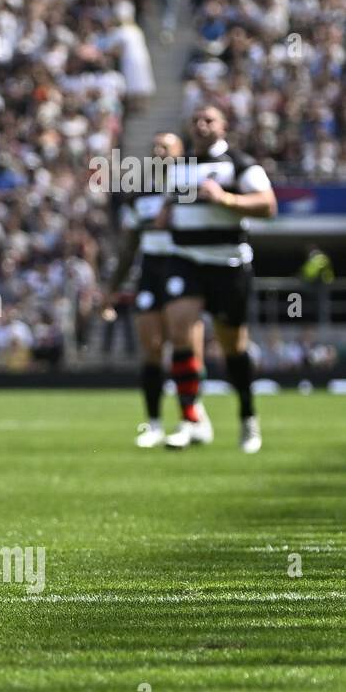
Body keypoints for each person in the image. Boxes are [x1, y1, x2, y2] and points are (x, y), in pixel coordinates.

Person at [160, 106, 277, 453]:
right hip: (186, 261)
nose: (201, 125)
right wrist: (166, 213)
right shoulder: (177, 168)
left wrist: (224, 198)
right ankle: (190, 419)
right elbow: (171, 205)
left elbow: (268, 206)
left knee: (233, 347)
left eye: (209, 119)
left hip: (227, 264)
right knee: (180, 329)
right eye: (196, 120)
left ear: (223, 126)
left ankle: (247, 415)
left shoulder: (240, 164)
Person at [101, 132, 205, 447]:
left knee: (183, 343)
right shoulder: (139, 194)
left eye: (166, 147)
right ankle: (155, 423)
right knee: (152, 348)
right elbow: (129, 248)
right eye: (154, 147)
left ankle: (191, 416)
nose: (158, 152)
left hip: (184, 271)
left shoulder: (190, 190)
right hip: (150, 274)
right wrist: (112, 289)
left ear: (181, 152)